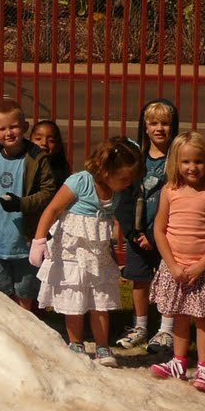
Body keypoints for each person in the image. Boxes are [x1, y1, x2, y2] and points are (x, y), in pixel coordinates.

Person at [30, 137, 145, 366]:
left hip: (97, 254)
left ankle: (102, 347)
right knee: (75, 298)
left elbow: (104, 225)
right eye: (124, 178)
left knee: (100, 301)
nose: (128, 183)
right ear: (105, 170)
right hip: (71, 252)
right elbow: (52, 209)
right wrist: (39, 240)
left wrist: (110, 249)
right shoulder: (79, 182)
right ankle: (76, 343)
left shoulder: (117, 192)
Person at [149, 132, 205, 393]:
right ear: (176, 163)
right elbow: (160, 231)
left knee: (203, 319)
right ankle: (179, 361)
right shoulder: (169, 191)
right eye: (185, 162)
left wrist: (202, 265)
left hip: (201, 270)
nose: (192, 167)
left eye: (198, 161)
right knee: (179, 316)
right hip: (175, 268)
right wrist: (172, 265)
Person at [0, 101, 59, 311]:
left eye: (14, 127)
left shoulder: (37, 158)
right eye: (2, 129)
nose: (8, 133)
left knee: (26, 294)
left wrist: (22, 204)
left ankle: (25, 333)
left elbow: (49, 192)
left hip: (24, 241)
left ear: (25, 127)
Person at [115, 98, 179, 351]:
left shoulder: (177, 161)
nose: (159, 129)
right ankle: (140, 326)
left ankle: (166, 330)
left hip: (168, 236)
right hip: (138, 236)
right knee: (139, 280)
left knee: (168, 281)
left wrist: (155, 235)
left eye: (165, 123)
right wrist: (133, 233)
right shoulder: (136, 159)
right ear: (145, 126)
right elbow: (123, 199)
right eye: (153, 123)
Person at [28, 119, 73, 187]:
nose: (44, 143)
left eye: (51, 140)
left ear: (58, 146)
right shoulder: (23, 164)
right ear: (30, 141)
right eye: (38, 138)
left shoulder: (60, 174)